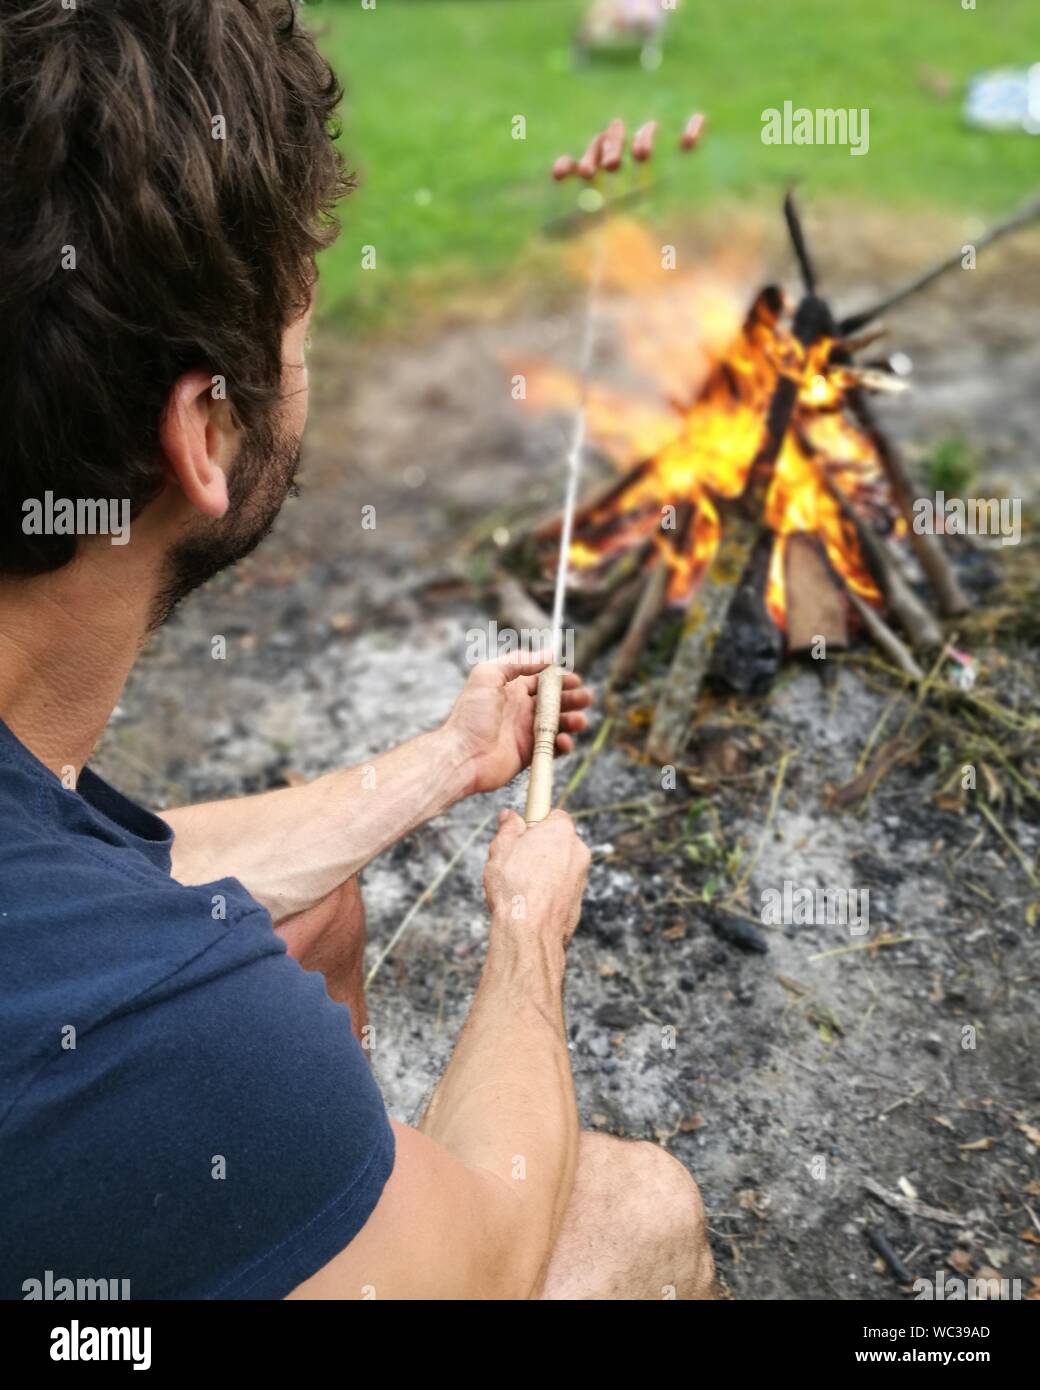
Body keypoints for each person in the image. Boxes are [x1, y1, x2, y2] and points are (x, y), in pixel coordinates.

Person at [0, 0, 713, 1301]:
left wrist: (448, 761)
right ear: (202, 435)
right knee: (633, 1210)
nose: (303, 355)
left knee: (312, 911)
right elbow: (496, 1255)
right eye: (298, 330)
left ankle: (333, 1194)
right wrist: (527, 927)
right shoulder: (156, 1031)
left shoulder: (50, 906)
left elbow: (86, 890)